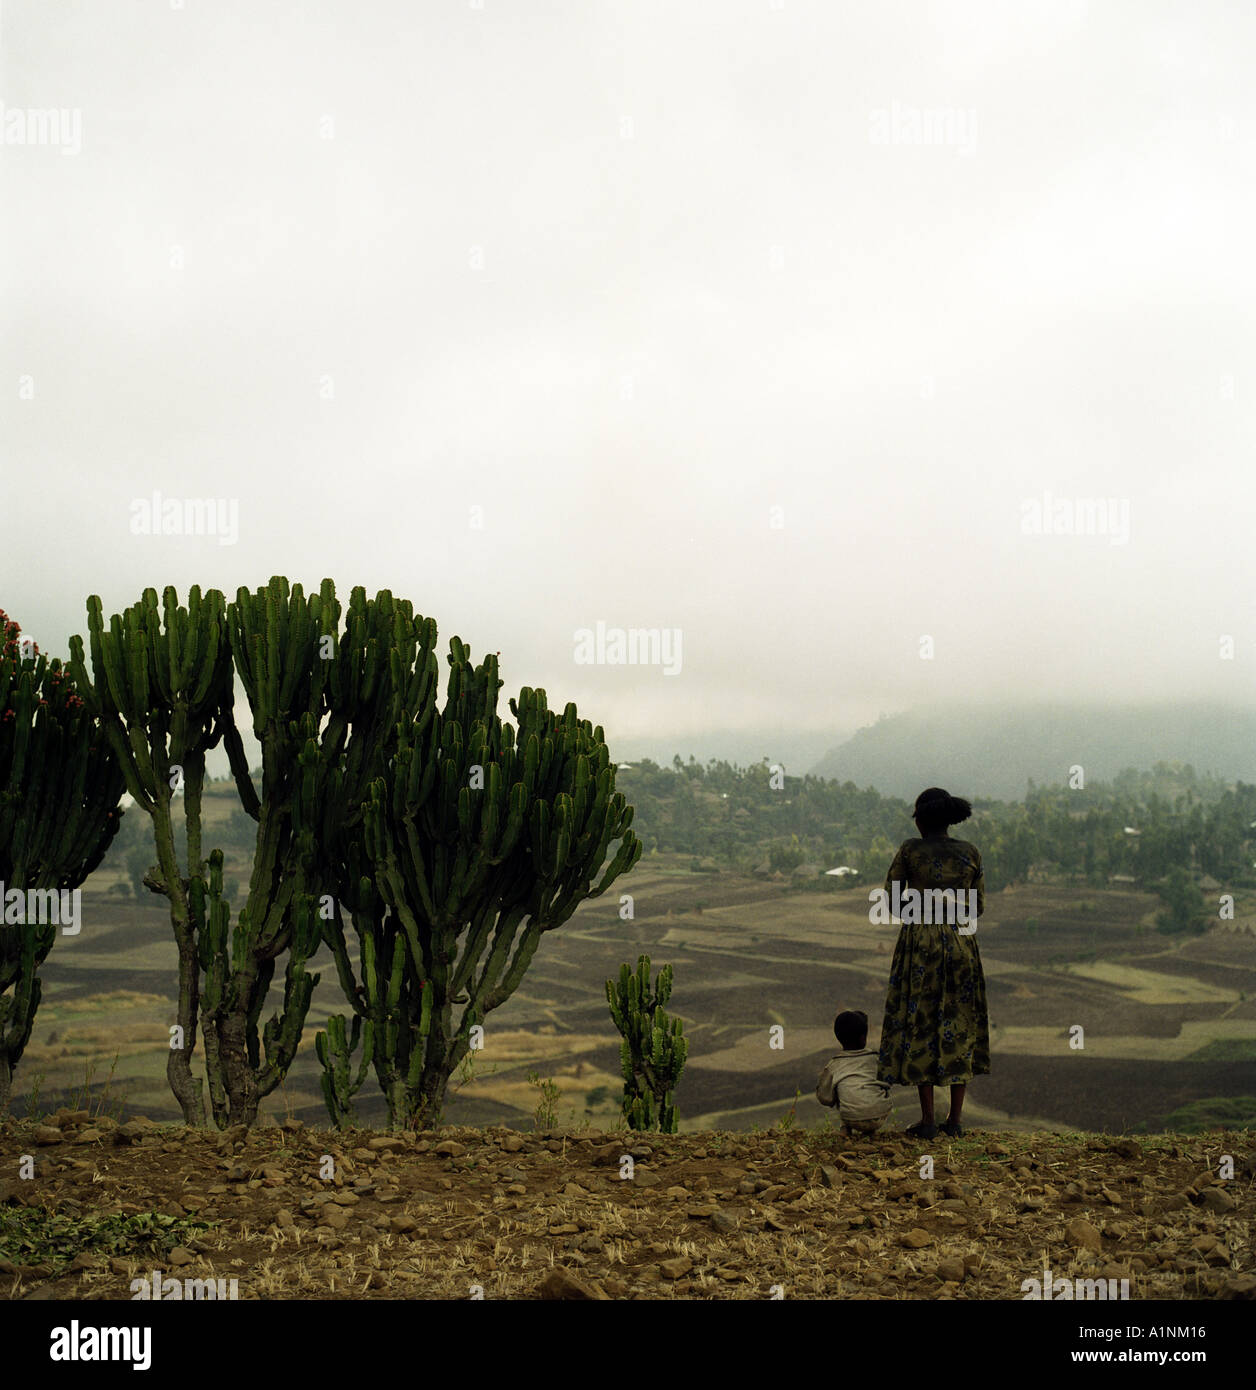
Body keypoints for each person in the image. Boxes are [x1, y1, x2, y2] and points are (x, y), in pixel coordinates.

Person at [877, 787, 990, 1139]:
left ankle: (927, 1120)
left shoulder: (910, 851)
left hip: (920, 945)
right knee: (959, 1024)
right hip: (960, 943)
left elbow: (892, 900)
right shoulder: (969, 853)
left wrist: (921, 911)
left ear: (921, 820)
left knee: (920, 1023)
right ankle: (954, 1122)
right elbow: (978, 906)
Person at [815, 1008, 892, 1135]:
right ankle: (870, 1131)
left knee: (840, 1087)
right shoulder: (876, 1059)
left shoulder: (835, 1064)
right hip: (880, 1114)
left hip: (851, 1118)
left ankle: (846, 1128)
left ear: (838, 1037)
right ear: (863, 1038)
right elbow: (889, 1081)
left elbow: (825, 1098)